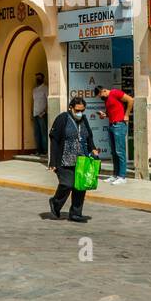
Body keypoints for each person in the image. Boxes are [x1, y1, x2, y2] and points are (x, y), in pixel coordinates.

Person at [47, 96, 98, 224]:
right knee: (67, 184)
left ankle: (76, 213)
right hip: (65, 159)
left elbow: (89, 137)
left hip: (82, 159)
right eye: (77, 110)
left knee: (80, 187)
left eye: (82, 110)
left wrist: (93, 149)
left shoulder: (84, 120)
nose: (80, 113)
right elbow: (54, 140)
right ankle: (55, 202)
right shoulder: (62, 118)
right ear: (71, 108)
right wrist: (52, 161)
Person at [95, 84, 134, 185]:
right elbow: (113, 111)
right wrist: (105, 114)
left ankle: (122, 176)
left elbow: (130, 100)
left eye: (100, 95)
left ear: (103, 90)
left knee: (120, 151)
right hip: (112, 125)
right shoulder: (107, 99)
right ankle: (115, 175)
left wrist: (126, 115)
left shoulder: (115, 93)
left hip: (119, 125)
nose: (100, 97)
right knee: (114, 152)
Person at [31, 73, 48, 156]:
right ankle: (39, 150)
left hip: (42, 114)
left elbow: (48, 101)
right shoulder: (34, 90)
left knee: (43, 133)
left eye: (39, 78)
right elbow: (34, 102)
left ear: (42, 78)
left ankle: (45, 151)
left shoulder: (45, 88)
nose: (37, 79)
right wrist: (32, 113)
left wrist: (44, 112)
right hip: (35, 114)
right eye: (36, 78)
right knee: (37, 133)